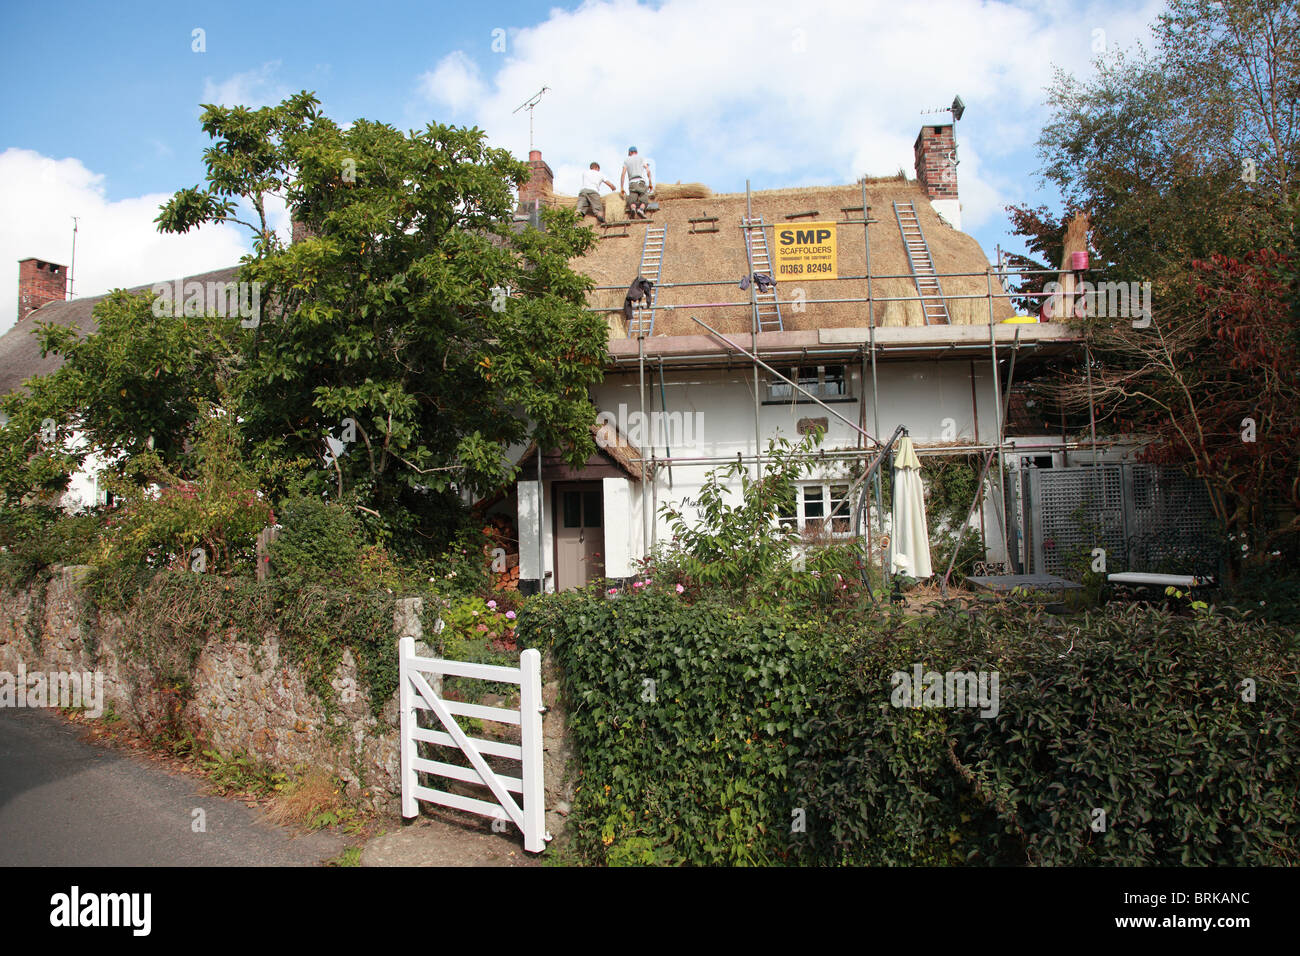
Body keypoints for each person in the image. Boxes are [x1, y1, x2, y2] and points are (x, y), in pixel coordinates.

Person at [619, 146, 654, 219]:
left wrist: (622, 187)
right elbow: (648, 171)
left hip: (632, 182)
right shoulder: (641, 159)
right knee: (644, 198)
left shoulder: (626, 160)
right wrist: (650, 183)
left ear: (630, 152)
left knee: (632, 199)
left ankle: (633, 209)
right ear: (636, 152)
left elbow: (623, 174)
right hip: (641, 181)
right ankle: (641, 210)